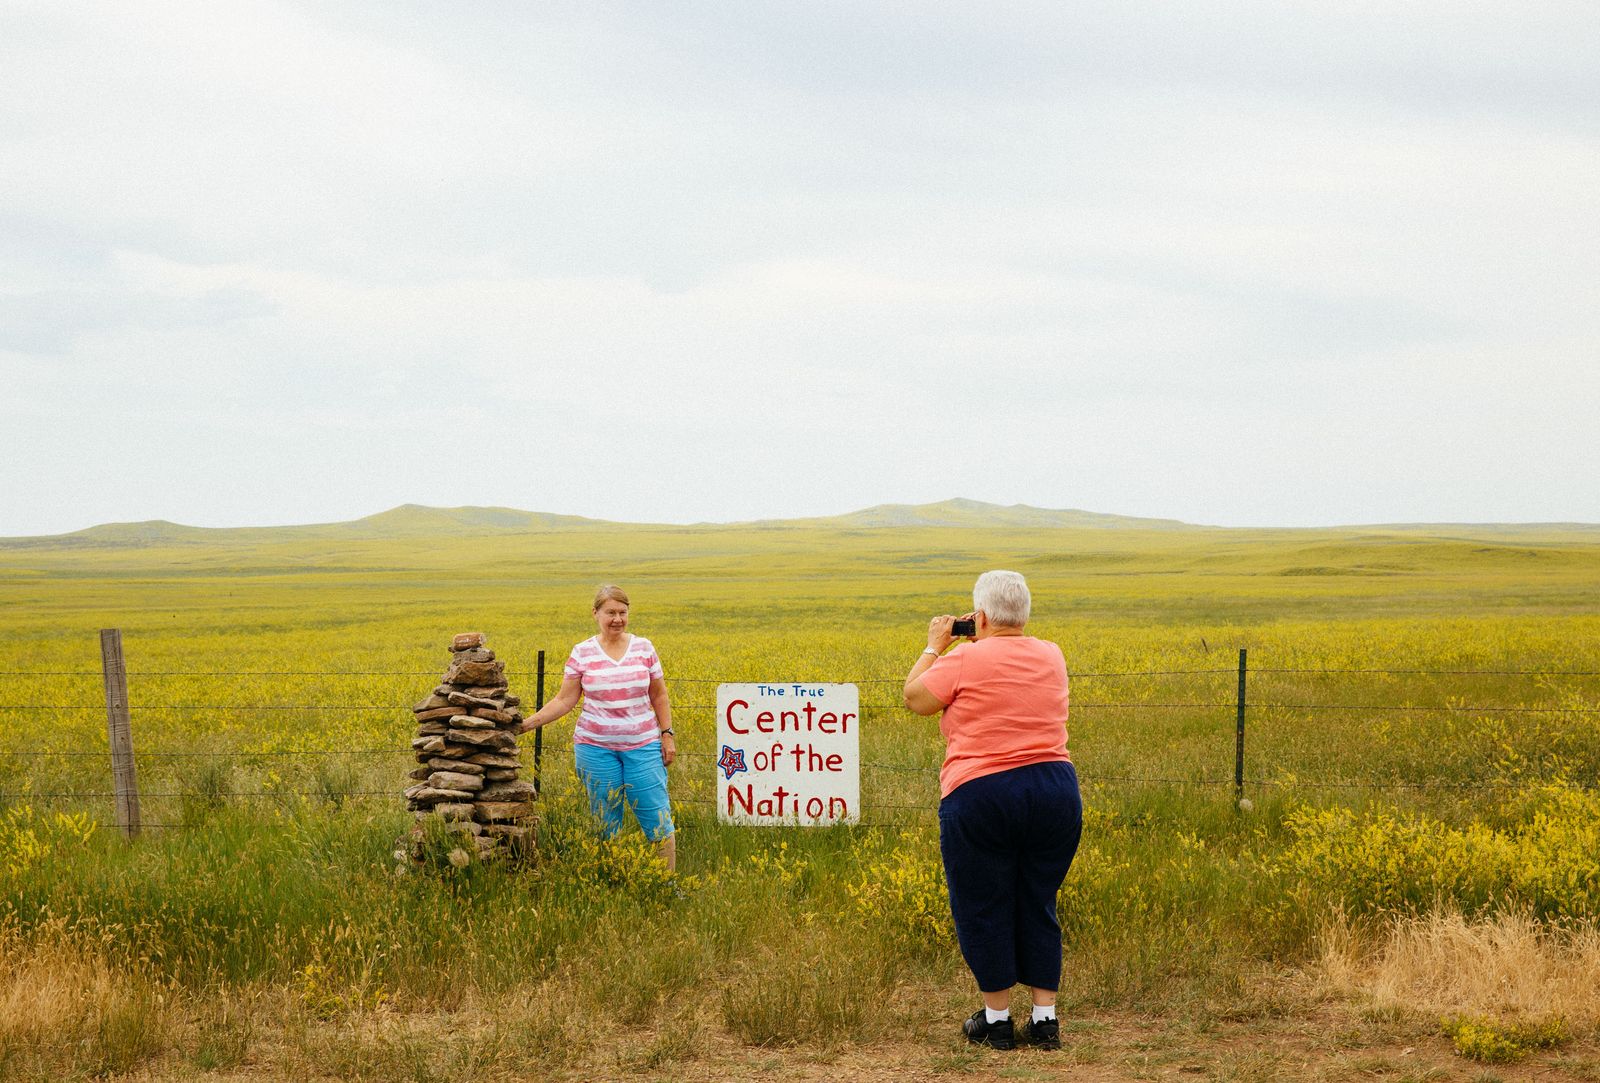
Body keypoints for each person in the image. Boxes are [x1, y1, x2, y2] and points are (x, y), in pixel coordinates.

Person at [902, 570, 1082, 1051]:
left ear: (977, 617)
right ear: (1024, 615)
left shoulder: (965, 658)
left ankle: (997, 1020)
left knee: (983, 902)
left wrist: (936, 645)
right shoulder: (1052, 654)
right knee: (1039, 897)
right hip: (1054, 788)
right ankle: (1045, 1021)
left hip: (981, 791)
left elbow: (914, 698)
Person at [517, 585, 679, 871]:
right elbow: (565, 699)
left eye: (622, 612)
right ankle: (611, 878)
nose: (617, 619)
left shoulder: (644, 647)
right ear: (596, 614)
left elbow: (659, 695)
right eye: (610, 613)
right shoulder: (582, 652)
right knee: (605, 821)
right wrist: (526, 725)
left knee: (658, 818)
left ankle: (665, 884)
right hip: (595, 749)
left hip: (643, 746)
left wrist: (667, 735)